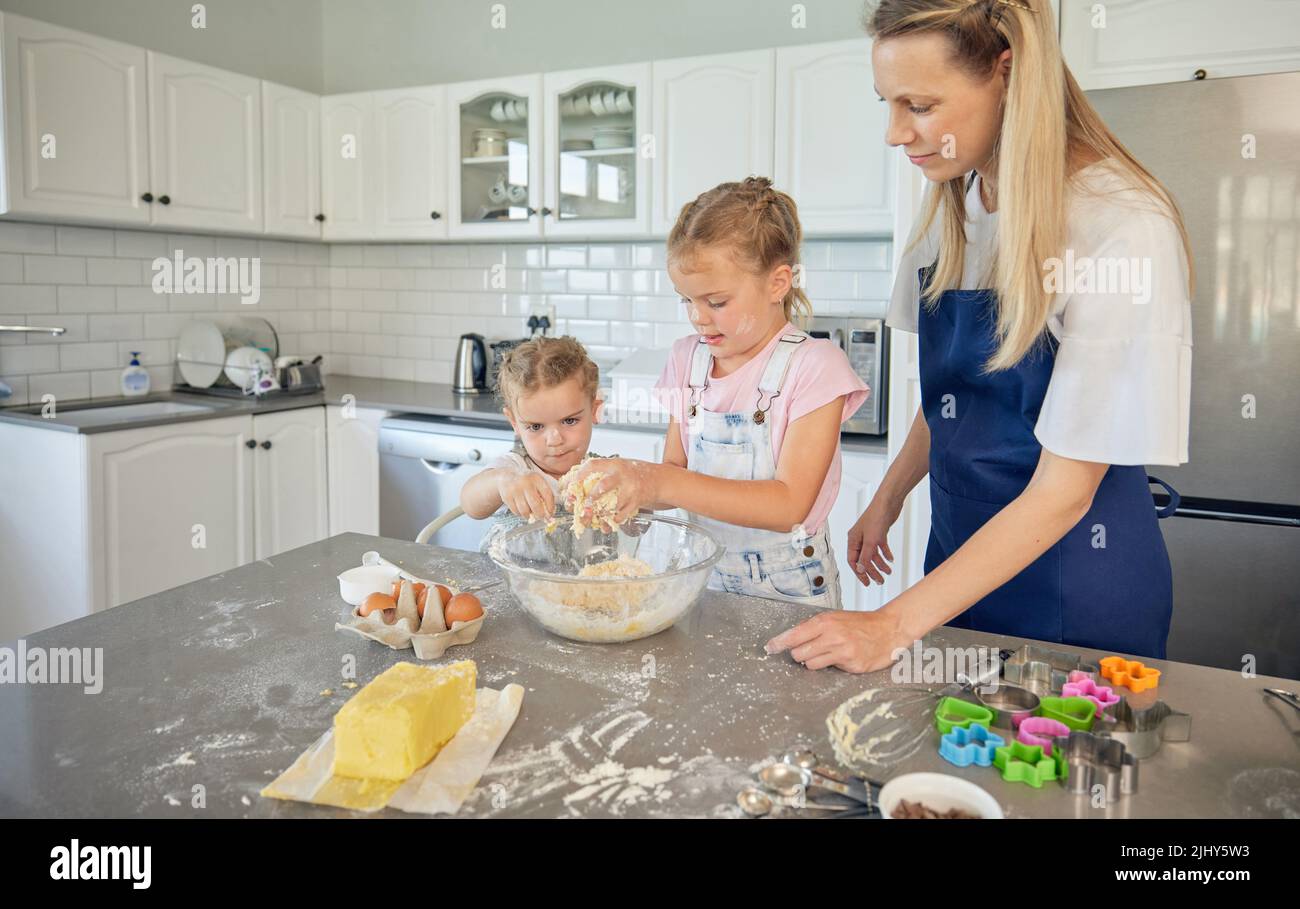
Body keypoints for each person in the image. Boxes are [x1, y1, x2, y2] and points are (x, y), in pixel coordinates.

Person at [767, 0, 1193, 671]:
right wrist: (888, 495)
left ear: (1008, 71)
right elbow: (954, 399)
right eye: (887, 102)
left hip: (1074, 590)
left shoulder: (1119, 225)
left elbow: (1066, 491)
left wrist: (889, 624)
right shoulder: (951, 211)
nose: (894, 132)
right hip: (958, 572)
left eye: (920, 105)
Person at [567, 176, 869, 608]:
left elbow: (789, 505)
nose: (698, 318)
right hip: (704, 579)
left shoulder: (814, 366)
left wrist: (660, 482)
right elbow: (675, 469)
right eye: (686, 301)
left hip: (792, 592)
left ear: (777, 283)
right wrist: (633, 501)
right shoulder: (687, 360)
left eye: (717, 302)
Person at [460, 335, 601, 552]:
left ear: (594, 410)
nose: (555, 439)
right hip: (514, 583)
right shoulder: (515, 469)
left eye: (570, 421)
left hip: (590, 584)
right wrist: (502, 481)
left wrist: (634, 497)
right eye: (536, 427)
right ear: (514, 422)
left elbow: (637, 528)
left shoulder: (604, 475)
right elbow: (470, 504)